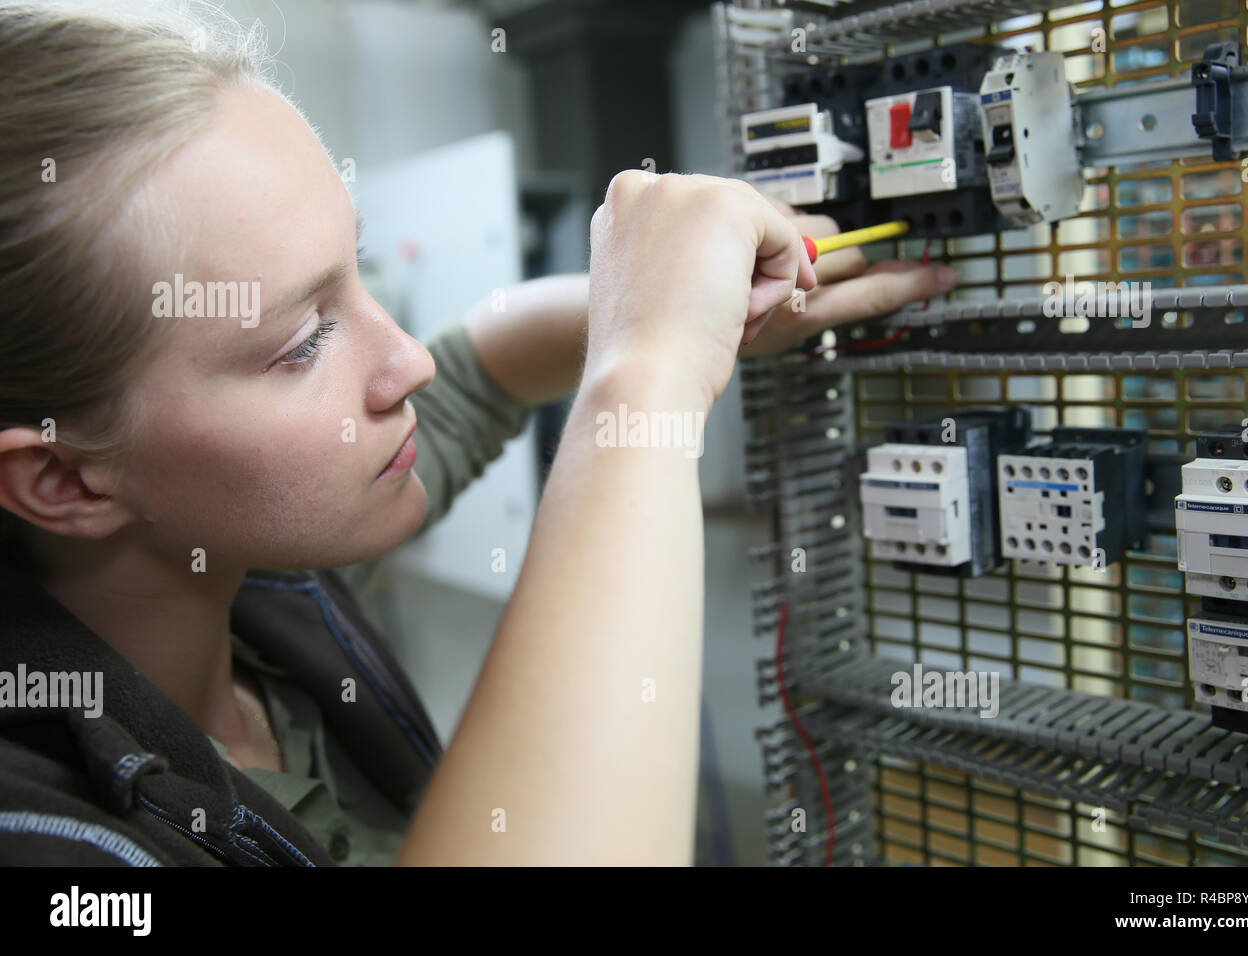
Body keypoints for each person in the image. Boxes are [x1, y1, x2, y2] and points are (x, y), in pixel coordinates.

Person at [0, 0, 957, 866]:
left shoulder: (243, 569)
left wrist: (667, 309)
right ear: (62, 480)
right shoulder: (53, 842)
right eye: (303, 342)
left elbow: (477, 365)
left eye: (356, 270)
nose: (405, 360)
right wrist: (649, 370)